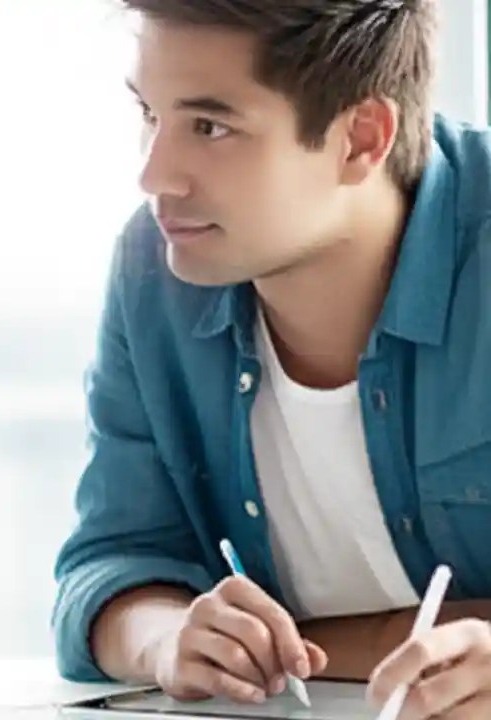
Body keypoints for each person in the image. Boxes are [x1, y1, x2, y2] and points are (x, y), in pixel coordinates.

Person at [53, 1, 491, 716]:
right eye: (149, 115)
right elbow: (109, 564)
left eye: (210, 127)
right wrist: (169, 640)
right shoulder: (154, 269)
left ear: (361, 138)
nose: (155, 175)